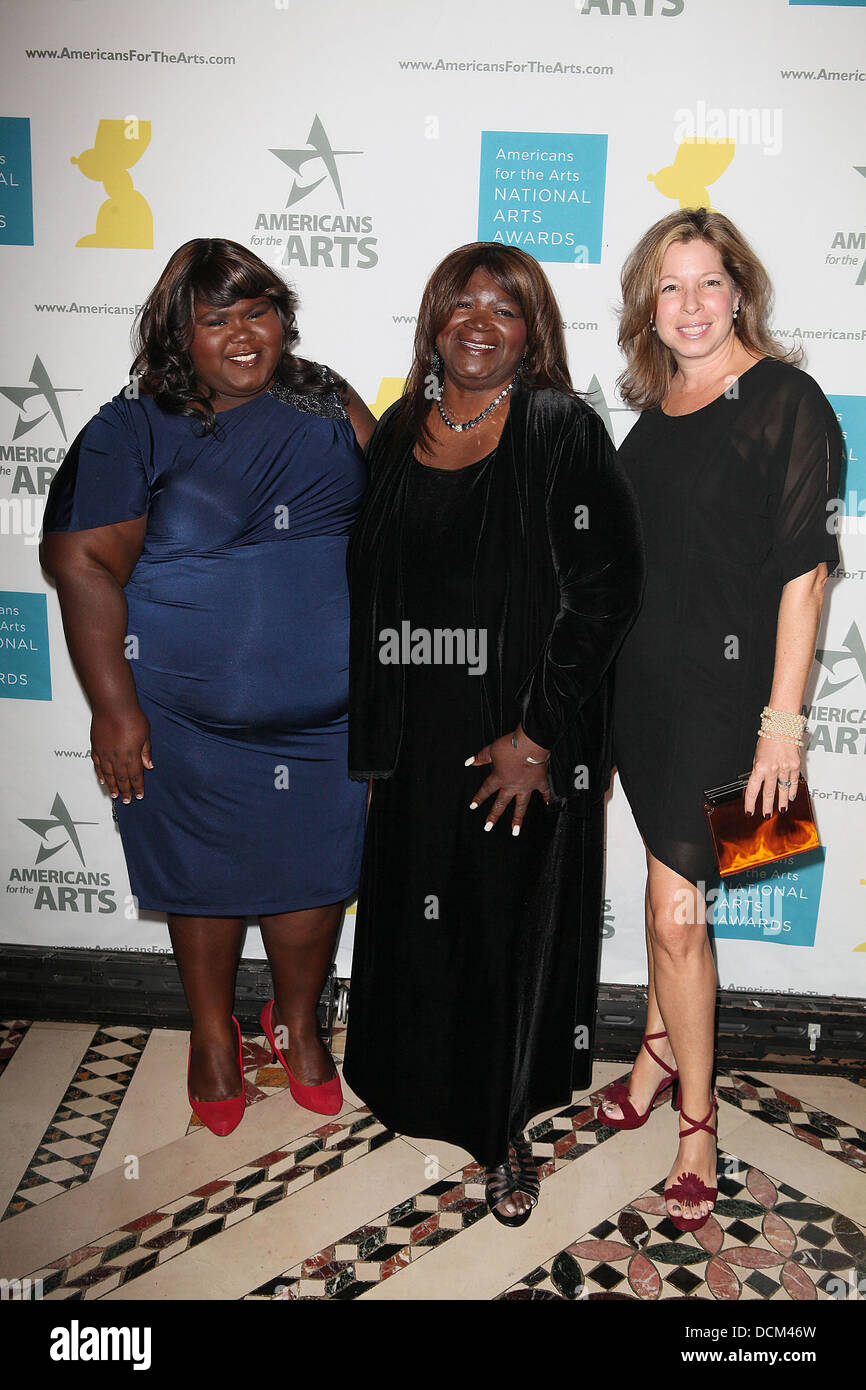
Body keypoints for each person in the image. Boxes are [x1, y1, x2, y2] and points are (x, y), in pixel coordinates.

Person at [40, 238, 375, 1136]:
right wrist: (115, 710)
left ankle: (299, 1027)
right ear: (177, 333)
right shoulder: (135, 425)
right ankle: (213, 1040)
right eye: (214, 317)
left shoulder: (325, 396)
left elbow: (396, 519)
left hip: (329, 721)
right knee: (205, 882)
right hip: (185, 721)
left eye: (255, 310)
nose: (240, 333)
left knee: (314, 881)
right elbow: (80, 564)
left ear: (283, 316)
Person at [343, 242, 643, 1224]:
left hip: (517, 734)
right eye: (459, 304)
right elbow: (371, 587)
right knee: (425, 922)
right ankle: (419, 1092)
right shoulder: (398, 431)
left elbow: (602, 592)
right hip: (420, 731)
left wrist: (541, 738)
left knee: (505, 928)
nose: (477, 322)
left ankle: (503, 1132)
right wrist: (381, 738)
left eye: (502, 309)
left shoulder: (559, 427)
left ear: (531, 333)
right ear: (433, 321)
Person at [600, 208, 843, 1231]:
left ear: (738, 289)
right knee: (673, 888)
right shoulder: (653, 406)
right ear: (645, 307)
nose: (688, 306)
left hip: (732, 703)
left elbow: (804, 574)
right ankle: (657, 1049)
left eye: (706, 283)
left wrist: (780, 726)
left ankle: (697, 1125)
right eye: (667, 287)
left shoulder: (784, 401)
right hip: (642, 690)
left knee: (673, 910)